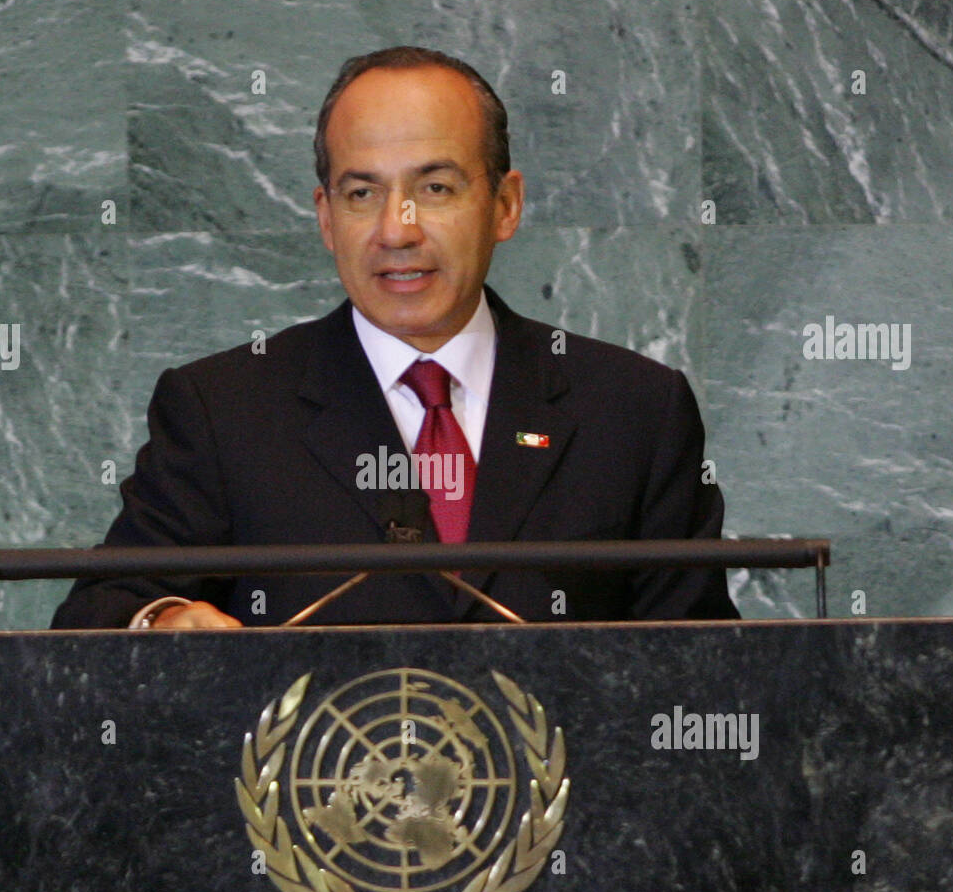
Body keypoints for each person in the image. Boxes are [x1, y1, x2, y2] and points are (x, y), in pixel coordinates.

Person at [50, 46, 738, 631]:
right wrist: (165, 620)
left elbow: (708, 665)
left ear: (505, 205)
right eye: (361, 194)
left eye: (435, 188)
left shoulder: (634, 411)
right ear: (324, 217)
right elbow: (102, 610)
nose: (396, 229)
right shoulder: (223, 410)